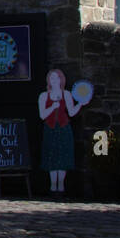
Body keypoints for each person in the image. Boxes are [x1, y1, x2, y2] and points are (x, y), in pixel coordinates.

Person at [38, 68, 84, 197]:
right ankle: (53, 186)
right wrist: (52, 107)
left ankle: (61, 185)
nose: (54, 80)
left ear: (61, 80)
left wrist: (80, 103)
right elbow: (42, 115)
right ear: (49, 80)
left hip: (63, 128)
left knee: (63, 156)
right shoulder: (43, 96)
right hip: (50, 128)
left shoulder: (67, 94)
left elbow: (71, 112)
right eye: (52, 78)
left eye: (57, 77)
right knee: (52, 156)